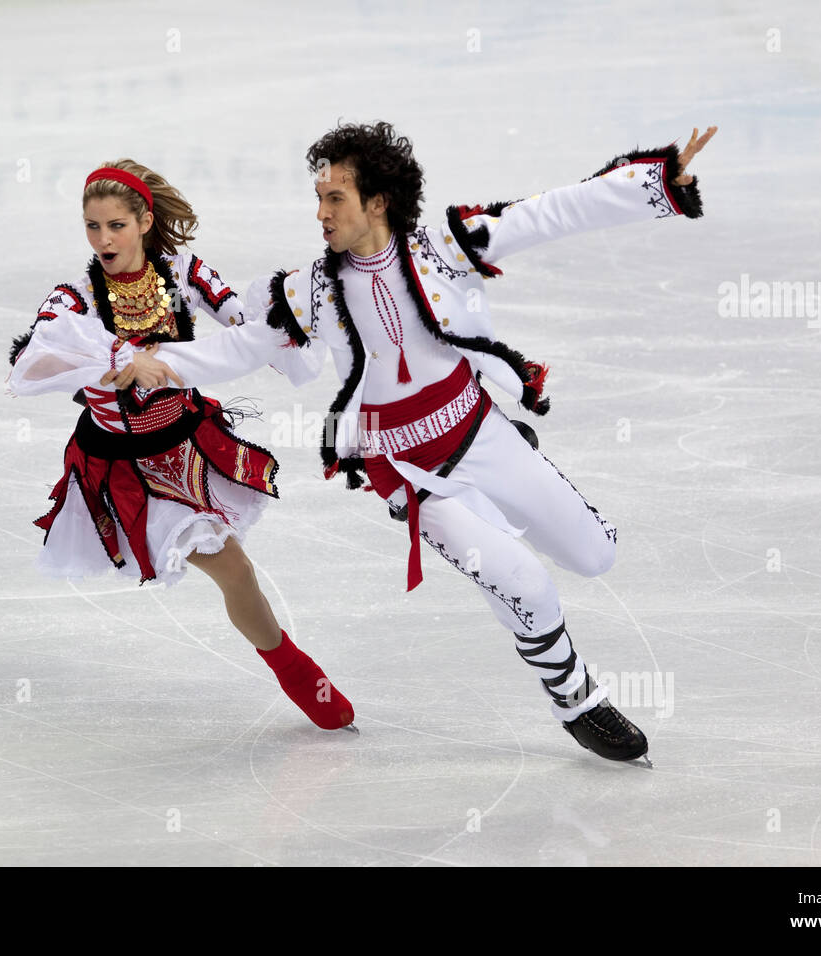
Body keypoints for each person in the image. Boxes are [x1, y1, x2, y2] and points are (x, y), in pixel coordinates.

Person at [123, 123, 717, 763]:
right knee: (523, 581)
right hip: (408, 470)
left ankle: (504, 537)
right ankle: (576, 700)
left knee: (595, 554)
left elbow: (554, 212)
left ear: (378, 200)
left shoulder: (446, 249)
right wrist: (151, 361)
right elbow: (237, 347)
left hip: (481, 430)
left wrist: (656, 178)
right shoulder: (310, 291)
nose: (320, 213)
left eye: (336, 199)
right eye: (318, 198)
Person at [5, 160, 354, 731]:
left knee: (235, 572)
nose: (103, 239)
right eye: (92, 227)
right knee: (234, 568)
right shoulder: (75, 298)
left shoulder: (182, 271)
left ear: (143, 221)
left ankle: (292, 670)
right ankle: (297, 671)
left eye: (115, 225)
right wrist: (116, 357)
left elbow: (248, 323)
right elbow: (34, 358)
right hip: (125, 467)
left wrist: (287, 336)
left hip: (188, 445)